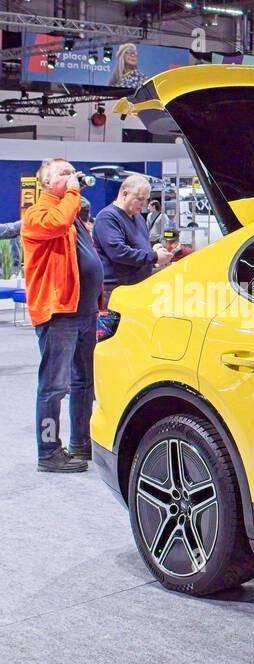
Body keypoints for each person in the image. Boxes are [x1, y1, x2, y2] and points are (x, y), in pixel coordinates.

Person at [21, 158, 104, 474]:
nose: (72, 177)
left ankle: (80, 442)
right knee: (53, 386)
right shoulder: (38, 215)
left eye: (73, 172)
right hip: (58, 315)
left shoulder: (73, 216)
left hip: (84, 312)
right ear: (45, 182)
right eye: (63, 173)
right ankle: (48, 451)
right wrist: (72, 194)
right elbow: (55, 223)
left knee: (84, 382)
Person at [94, 174, 172, 303]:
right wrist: (154, 257)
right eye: (140, 199)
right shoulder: (107, 217)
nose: (144, 204)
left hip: (137, 288)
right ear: (125, 194)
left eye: (146, 199)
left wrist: (152, 249)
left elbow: (137, 245)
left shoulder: (138, 217)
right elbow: (118, 252)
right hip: (117, 291)